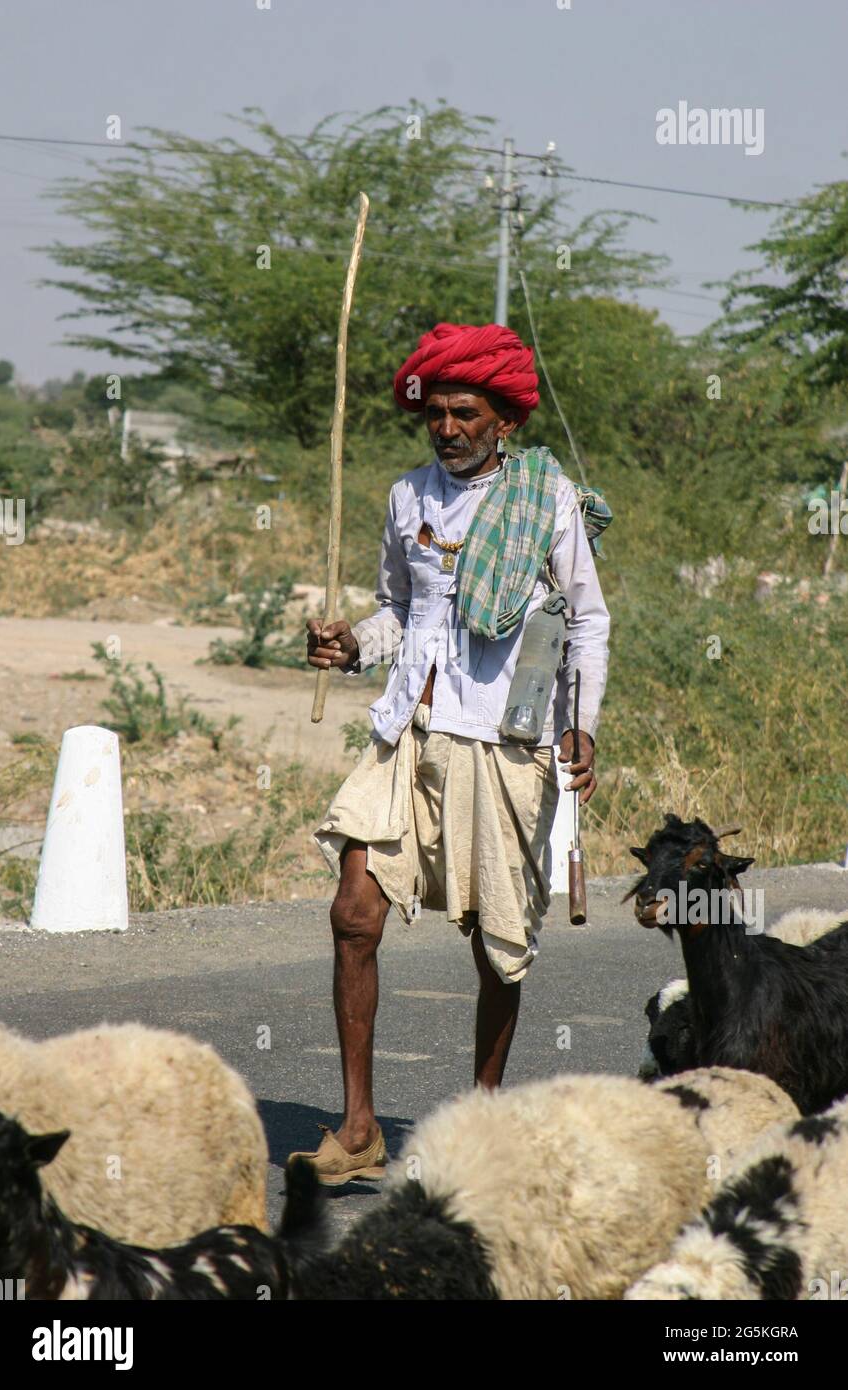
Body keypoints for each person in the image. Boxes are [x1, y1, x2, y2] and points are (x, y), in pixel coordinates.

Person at [290, 321, 610, 1184]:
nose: (448, 428)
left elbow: (588, 620)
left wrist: (583, 725)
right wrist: (350, 644)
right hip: (408, 732)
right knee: (353, 912)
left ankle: (482, 1122)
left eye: (465, 412)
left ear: (504, 419)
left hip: (505, 742)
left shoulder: (549, 502)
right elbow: (401, 614)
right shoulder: (407, 498)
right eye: (435, 413)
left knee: (497, 941)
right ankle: (359, 1132)